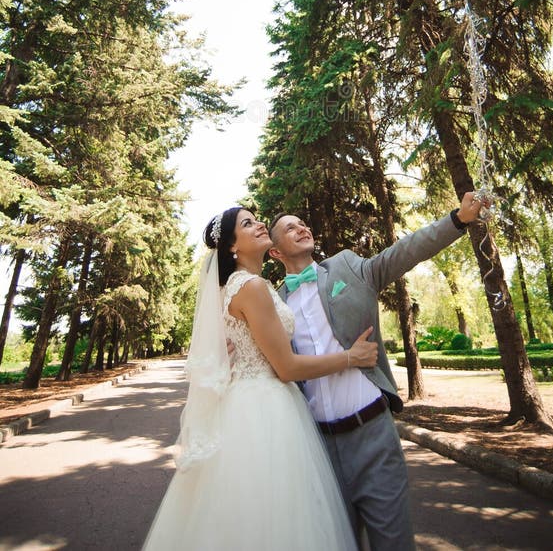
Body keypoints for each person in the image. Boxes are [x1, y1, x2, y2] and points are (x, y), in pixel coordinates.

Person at [143, 206, 378, 551]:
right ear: (232, 246)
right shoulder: (250, 286)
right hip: (265, 409)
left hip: (246, 402)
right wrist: (350, 358)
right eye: (247, 223)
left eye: (257, 219)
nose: (260, 224)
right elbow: (287, 367)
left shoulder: (243, 286)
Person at [268, 192, 486, 551]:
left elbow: (404, 252)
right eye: (291, 228)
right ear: (275, 252)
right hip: (317, 448)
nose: (302, 228)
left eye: (303, 223)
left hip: (372, 435)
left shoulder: (346, 266)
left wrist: (458, 220)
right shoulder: (275, 303)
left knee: (392, 543)